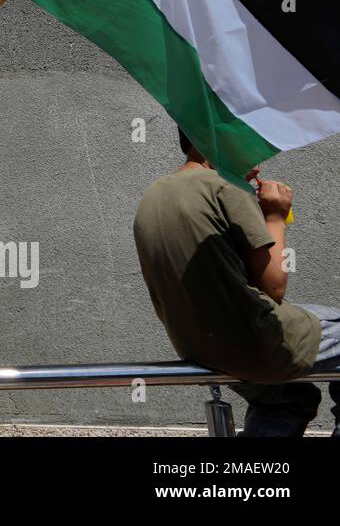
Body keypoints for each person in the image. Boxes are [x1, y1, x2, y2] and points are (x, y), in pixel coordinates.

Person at [134, 130, 340, 436]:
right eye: (248, 149)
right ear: (215, 142)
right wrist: (275, 216)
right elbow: (274, 287)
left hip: (198, 347)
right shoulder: (226, 187)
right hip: (256, 344)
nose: (256, 165)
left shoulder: (153, 196)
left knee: (288, 400)